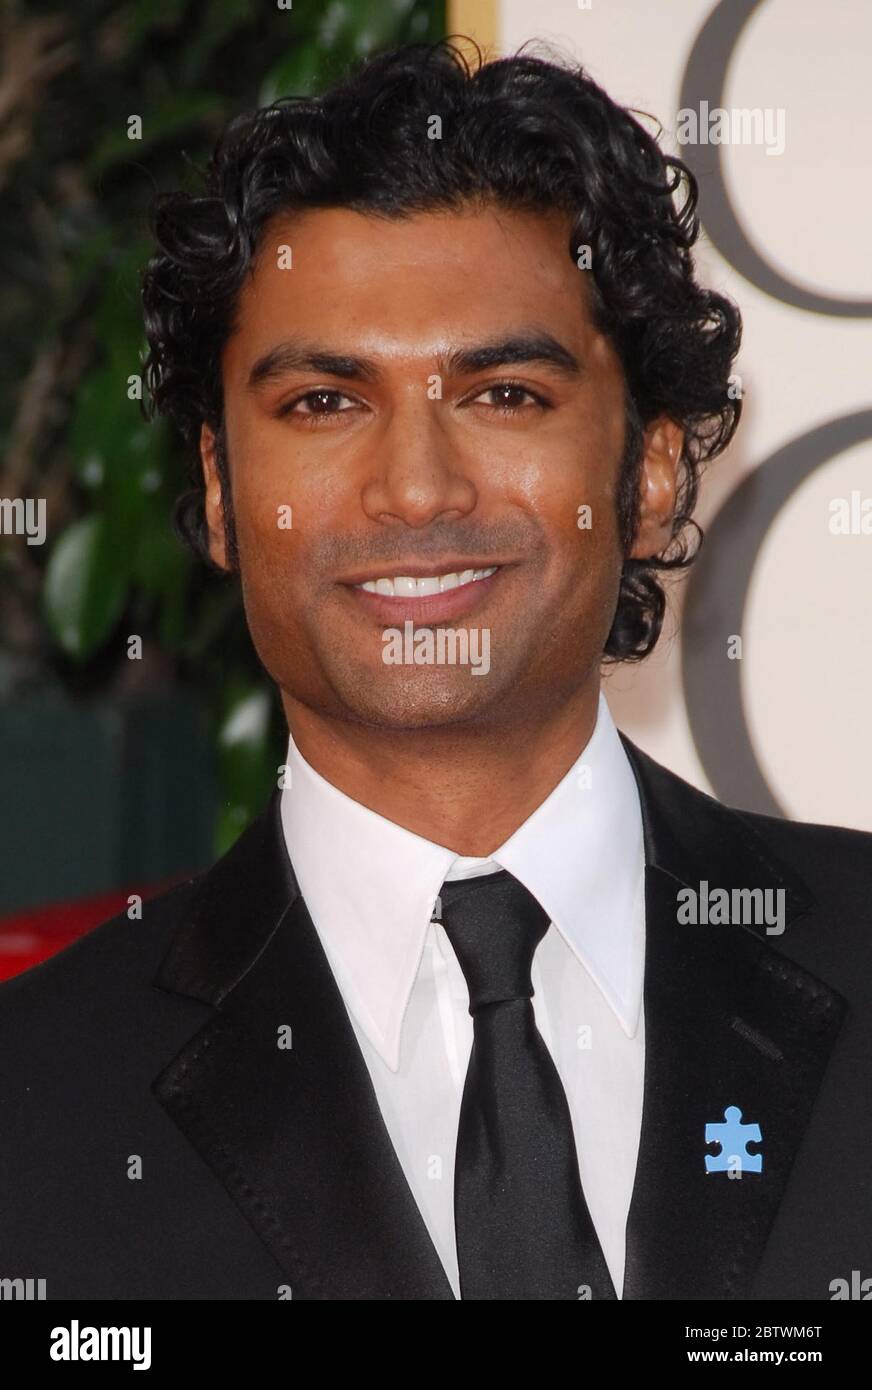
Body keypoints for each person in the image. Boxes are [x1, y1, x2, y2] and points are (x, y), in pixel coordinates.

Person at [1, 39, 870, 1302]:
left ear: (648, 473)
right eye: (322, 403)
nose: (414, 489)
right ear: (216, 486)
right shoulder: (31, 1107)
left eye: (504, 393)